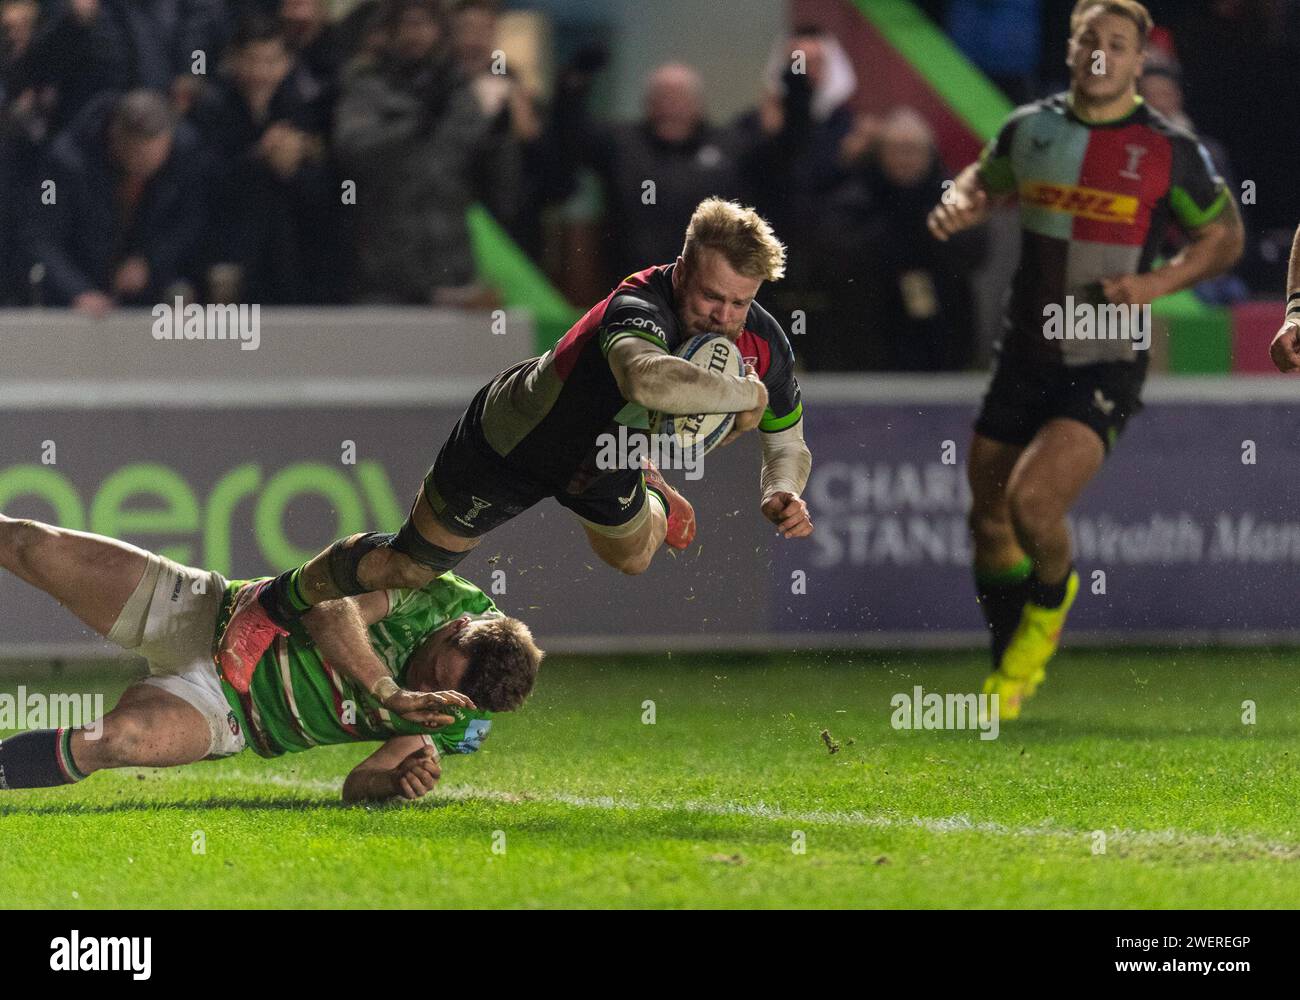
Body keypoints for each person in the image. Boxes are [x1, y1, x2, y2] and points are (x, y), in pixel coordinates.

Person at [217, 197, 814, 690]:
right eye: (713, 296)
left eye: (741, 301)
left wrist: (782, 489)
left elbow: (787, 441)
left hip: (606, 462)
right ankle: (269, 604)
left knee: (633, 558)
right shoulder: (638, 302)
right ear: (682, 269)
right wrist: (742, 397)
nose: (725, 315)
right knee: (410, 567)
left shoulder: (762, 342)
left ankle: (651, 496)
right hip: (515, 441)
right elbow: (643, 377)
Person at [927, 0, 1243, 718]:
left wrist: (1157, 283)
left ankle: (1049, 609)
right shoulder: (1029, 128)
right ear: (1071, 51)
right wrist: (960, 198)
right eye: (1088, 40)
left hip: (1105, 355)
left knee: (1032, 503)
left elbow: (1223, 237)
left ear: (1138, 61)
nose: (1101, 53)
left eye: (1118, 44)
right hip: (1025, 351)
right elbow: (984, 177)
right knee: (987, 519)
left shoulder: (1169, 150)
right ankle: (1009, 666)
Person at [0, 513, 542, 804]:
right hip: (208, 614)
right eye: (430, 666)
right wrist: (389, 691)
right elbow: (328, 611)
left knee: (113, 742)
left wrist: (394, 783)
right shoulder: (437, 593)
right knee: (31, 544)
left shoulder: (461, 717)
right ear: (459, 628)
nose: (421, 680)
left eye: (433, 685)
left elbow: (360, 783)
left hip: (228, 712)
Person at [25, 88, 207, 315]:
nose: (143, 167)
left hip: (151, 296)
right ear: (116, 136)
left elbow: (190, 219)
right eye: (136, 157)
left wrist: (151, 262)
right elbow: (41, 235)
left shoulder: (186, 152)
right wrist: (77, 291)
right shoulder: (64, 162)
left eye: (153, 158)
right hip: (80, 291)